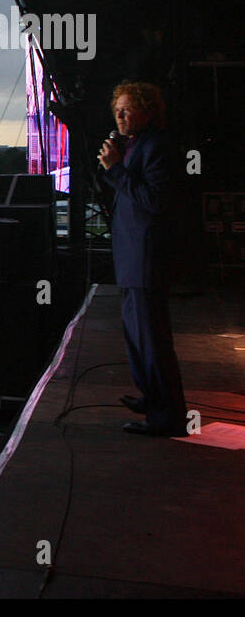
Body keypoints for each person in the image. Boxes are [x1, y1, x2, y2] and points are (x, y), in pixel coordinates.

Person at [98, 81, 187, 437]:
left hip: (146, 260)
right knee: (137, 338)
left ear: (148, 111)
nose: (120, 116)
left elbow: (154, 201)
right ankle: (152, 398)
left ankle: (166, 416)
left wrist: (117, 169)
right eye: (116, 110)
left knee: (152, 341)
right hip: (132, 259)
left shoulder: (156, 148)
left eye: (127, 110)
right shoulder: (134, 146)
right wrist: (115, 166)